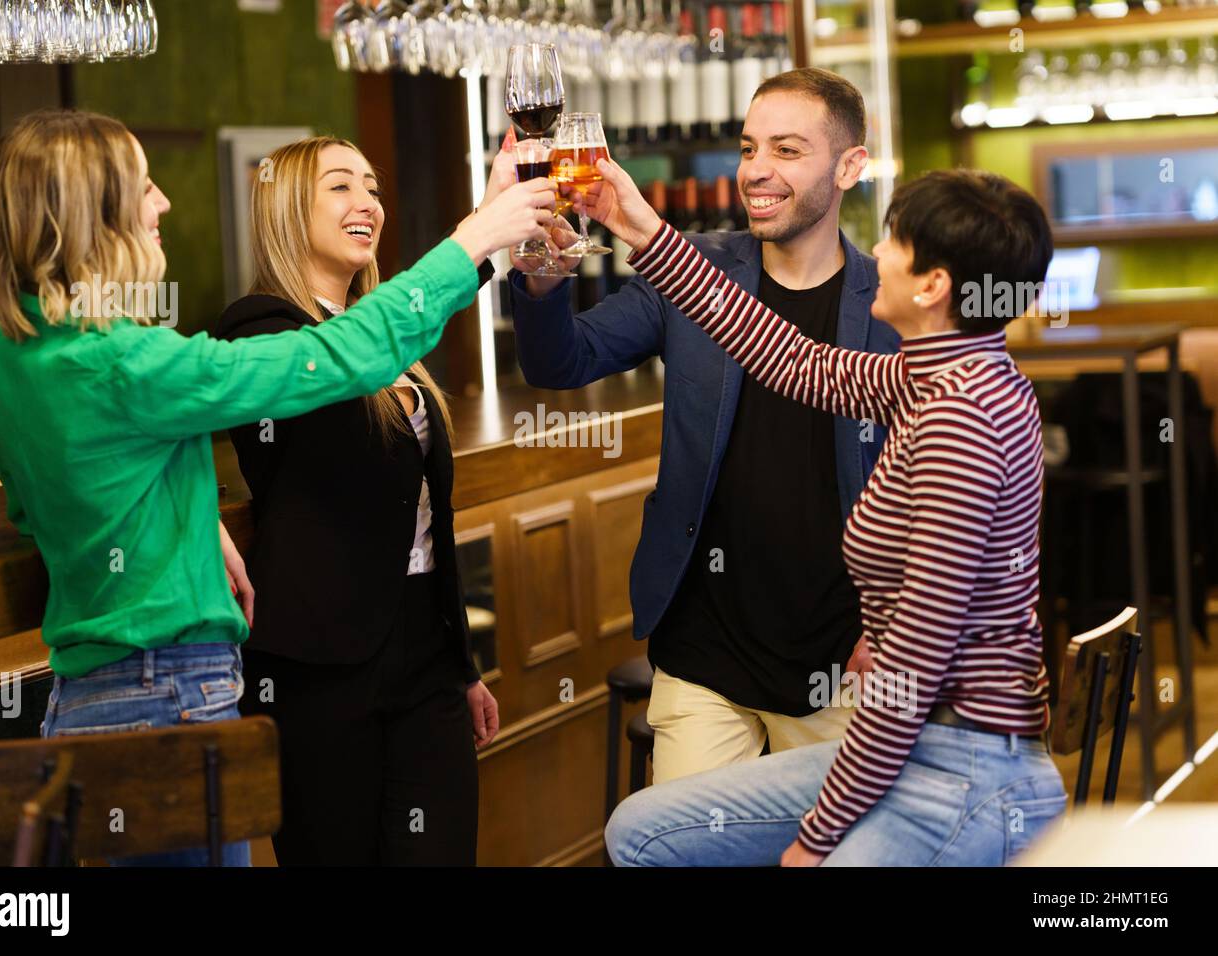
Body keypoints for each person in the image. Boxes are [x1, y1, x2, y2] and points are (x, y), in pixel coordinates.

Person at [0, 108, 554, 866]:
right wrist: (478, 237)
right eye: (144, 189)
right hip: (172, 696)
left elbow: (40, 506)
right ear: (93, 214)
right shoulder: (128, 359)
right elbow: (339, 357)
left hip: (82, 699)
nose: (163, 204)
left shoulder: (9, 359)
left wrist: (187, 518)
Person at [589, 155, 1065, 866]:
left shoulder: (959, 416)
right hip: (930, 748)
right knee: (640, 829)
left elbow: (916, 663)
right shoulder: (939, 377)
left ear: (934, 285)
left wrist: (815, 840)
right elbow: (789, 358)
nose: (876, 251)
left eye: (896, 242)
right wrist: (646, 231)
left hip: (966, 770)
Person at [509, 69, 899, 783]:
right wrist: (541, 275)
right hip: (703, 651)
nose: (757, 172)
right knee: (678, 845)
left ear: (850, 166)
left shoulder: (888, 307)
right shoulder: (697, 269)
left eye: (786, 151)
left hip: (842, 657)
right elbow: (563, 363)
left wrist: (891, 623)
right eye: (749, 149)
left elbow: (927, 494)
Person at [213, 135, 511, 865]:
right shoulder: (260, 329)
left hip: (425, 660)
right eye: (341, 187)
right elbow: (341, 372)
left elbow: (428, 522)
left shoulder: (386, 340)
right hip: (317, 670)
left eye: (373, 187)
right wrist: (482, 231)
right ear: (288, 211)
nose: (368, 203)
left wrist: (460, 662)